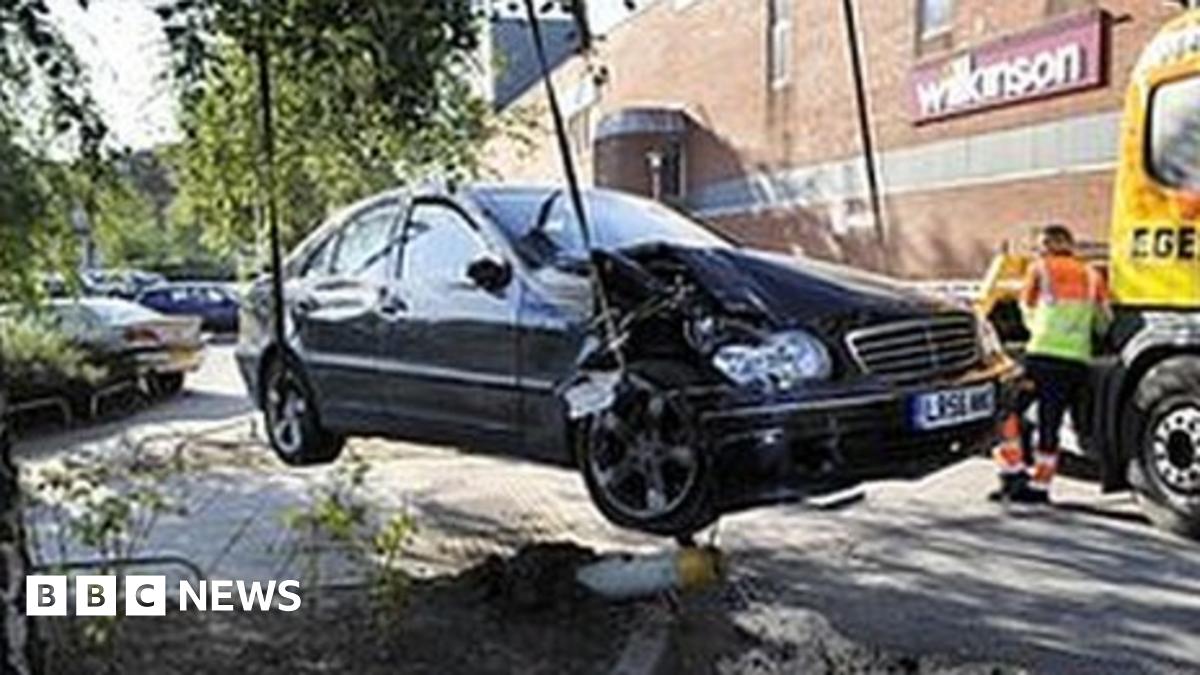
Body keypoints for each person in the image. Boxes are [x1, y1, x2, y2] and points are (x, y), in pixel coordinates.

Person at [991, 224, 1110, 504]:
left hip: (1041, 357)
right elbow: (1104, 321)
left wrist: (1040, 331)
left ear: (1045, 246)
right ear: (1070, 244)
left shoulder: (1039, 269)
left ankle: (1013, 473)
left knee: (1007, 411)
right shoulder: (1093, 275)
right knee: (1050, 423)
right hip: (1075, 361)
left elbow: (1026, 310)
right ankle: (1041, 486)